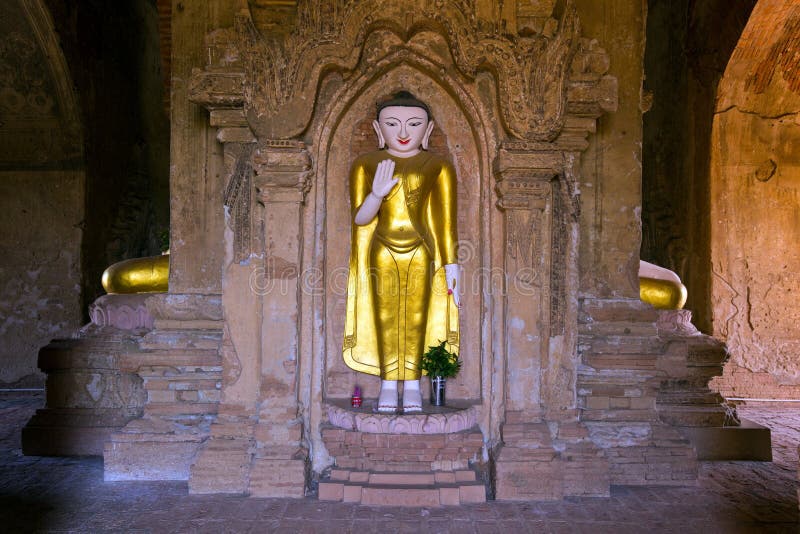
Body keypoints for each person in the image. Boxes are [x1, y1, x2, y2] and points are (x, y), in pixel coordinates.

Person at [342, 91, 461, 413]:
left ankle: (411, 386)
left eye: (414, 124)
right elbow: (360, 218)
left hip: (422, 249)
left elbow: (445, 221)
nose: (404, 133)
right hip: (382, 248)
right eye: (393, 124)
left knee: (417, 316)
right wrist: (377, 195)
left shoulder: (438, 165)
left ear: (429, 129)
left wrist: (451, 264)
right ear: (379, 130)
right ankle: (386, 385)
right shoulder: (366, 164)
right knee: (385, 316)